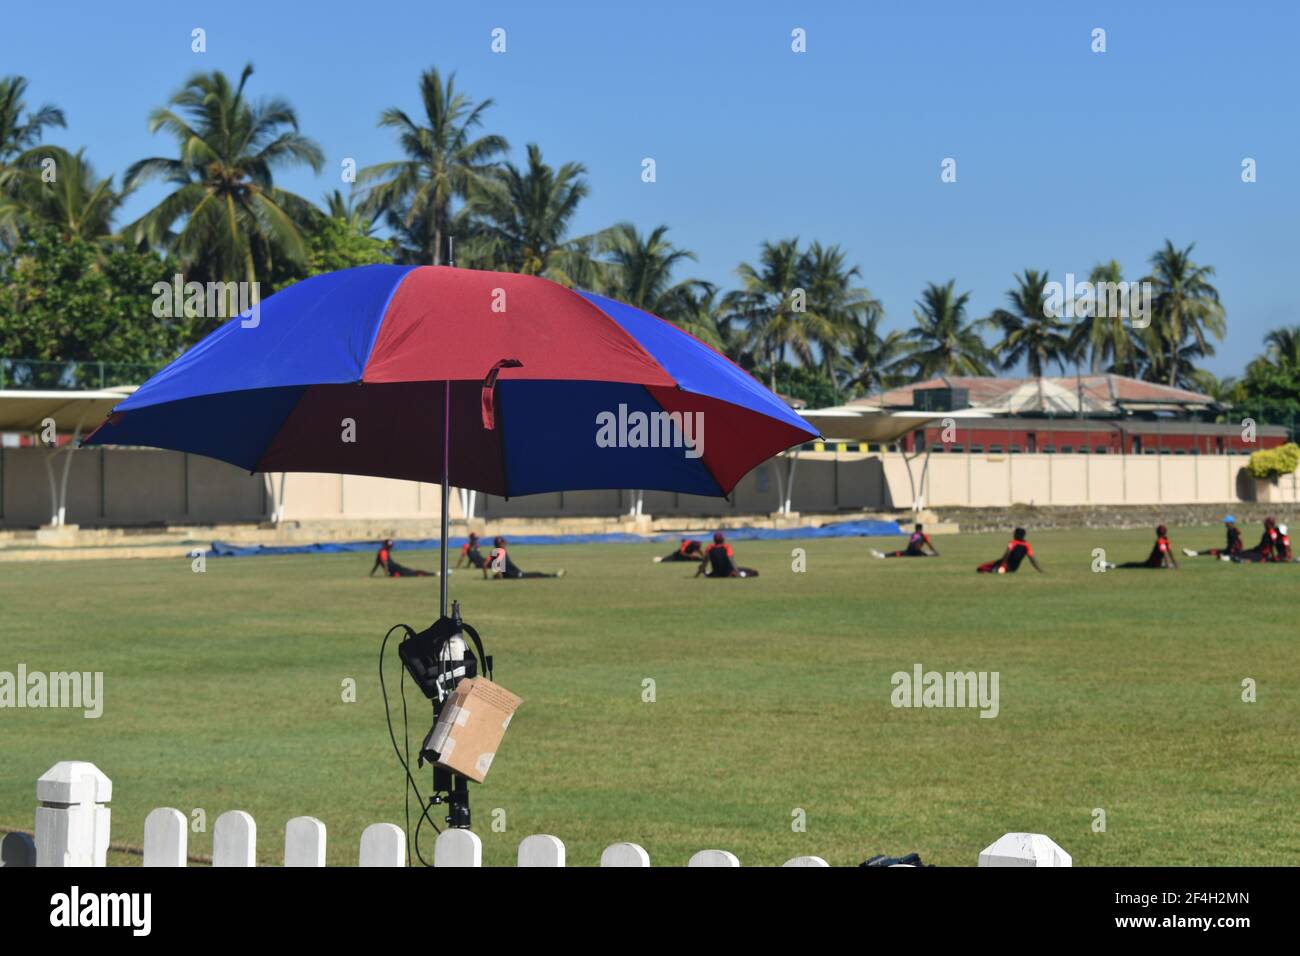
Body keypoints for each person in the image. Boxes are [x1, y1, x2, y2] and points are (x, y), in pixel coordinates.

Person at [1102, 525, 1178, 570]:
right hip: (1156, 564)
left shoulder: (1160, 541)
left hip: (1151, 564)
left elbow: (1165, 553)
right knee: (1131, 564)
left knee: (1129, 565)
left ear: (1157, 532)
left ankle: (1113, 566)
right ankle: (1111, 565)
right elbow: (1170, 552)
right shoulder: (1166, 540)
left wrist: (1168, 566)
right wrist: (1175, 564)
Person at [486, 536, 564, 579]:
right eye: (503, 543)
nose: (505, 545)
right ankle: (554, 576)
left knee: (536, 574)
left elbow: (490, 566)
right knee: (537, 574)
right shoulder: (500, 552)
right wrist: (499, 577)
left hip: (514, 574)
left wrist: (487, 577)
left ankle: (553, 576)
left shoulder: (495, 552)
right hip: (515, 575)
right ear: (501, 544)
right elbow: (498, 569)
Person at [976, 527, 1043, 574]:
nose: (1013, 535)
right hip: (1014, 568)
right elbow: (1032, 560)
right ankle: (999, 570)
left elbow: (1007, 554)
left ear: (1016, 534)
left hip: (1005, 564)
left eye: (1014, 533)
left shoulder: (1013, 543)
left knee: (980, 568)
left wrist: (1003, 564)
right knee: (999, 570)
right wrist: (1040, 570)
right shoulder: (1027, 545)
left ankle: (996, 570)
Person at [370, 539, 437, 578]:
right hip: (395, 569)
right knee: (412, 573)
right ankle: (433, 574)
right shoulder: (383, 551)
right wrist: (386, 573)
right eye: (390, 546)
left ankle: (432, 574)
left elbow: (377, 564)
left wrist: (371, 574)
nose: (391, 548)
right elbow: (384, 562)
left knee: (412, 572)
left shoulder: (381, 551)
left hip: (396, 569)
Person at [871, 523, 940, 559]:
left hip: (909, 551)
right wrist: (934, 551)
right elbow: (929, 544)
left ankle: (883, 555)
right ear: (921, 529)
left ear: (915, 529)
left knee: (898, 553)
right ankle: (932, 554)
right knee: (930, 553)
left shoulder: (913, 534)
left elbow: (911, 544)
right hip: (917, 552)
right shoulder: (923, 535)